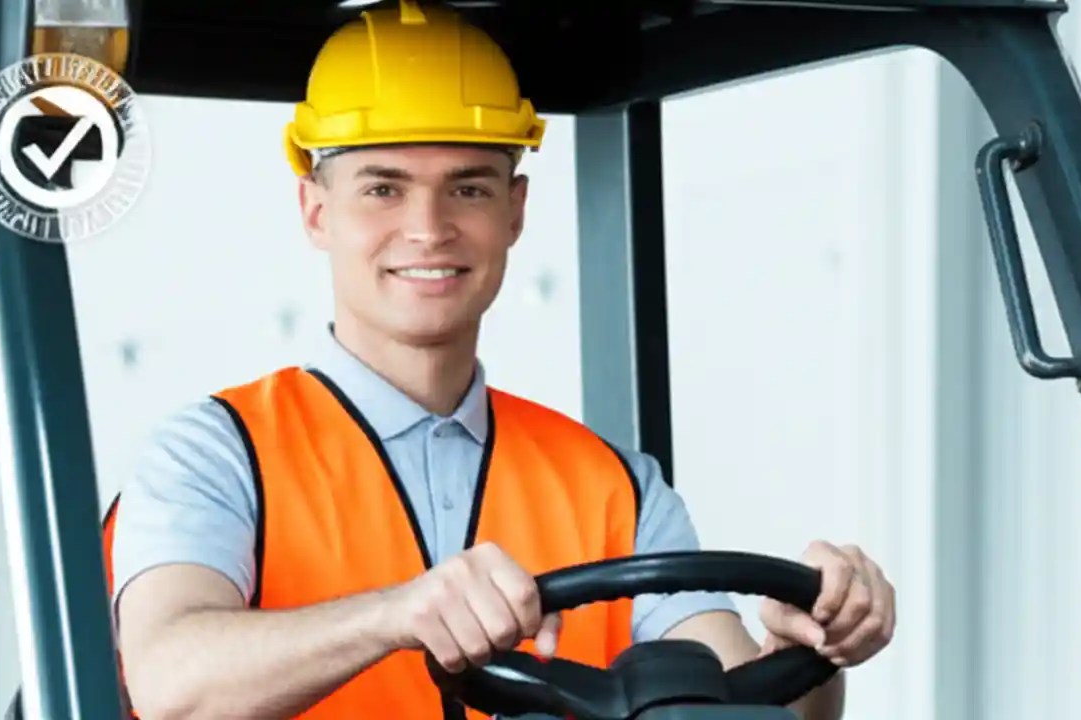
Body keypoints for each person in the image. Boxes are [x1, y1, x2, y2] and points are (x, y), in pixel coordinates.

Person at [103, 2, 896, 718]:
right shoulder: (217, 453)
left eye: (469, 189)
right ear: (317, 211)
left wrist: (815, 648)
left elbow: (743, 710)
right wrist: (394, 614)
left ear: (515, 210)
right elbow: (173, 684)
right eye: (383, 189)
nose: (429, 228)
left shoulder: (613, 488)